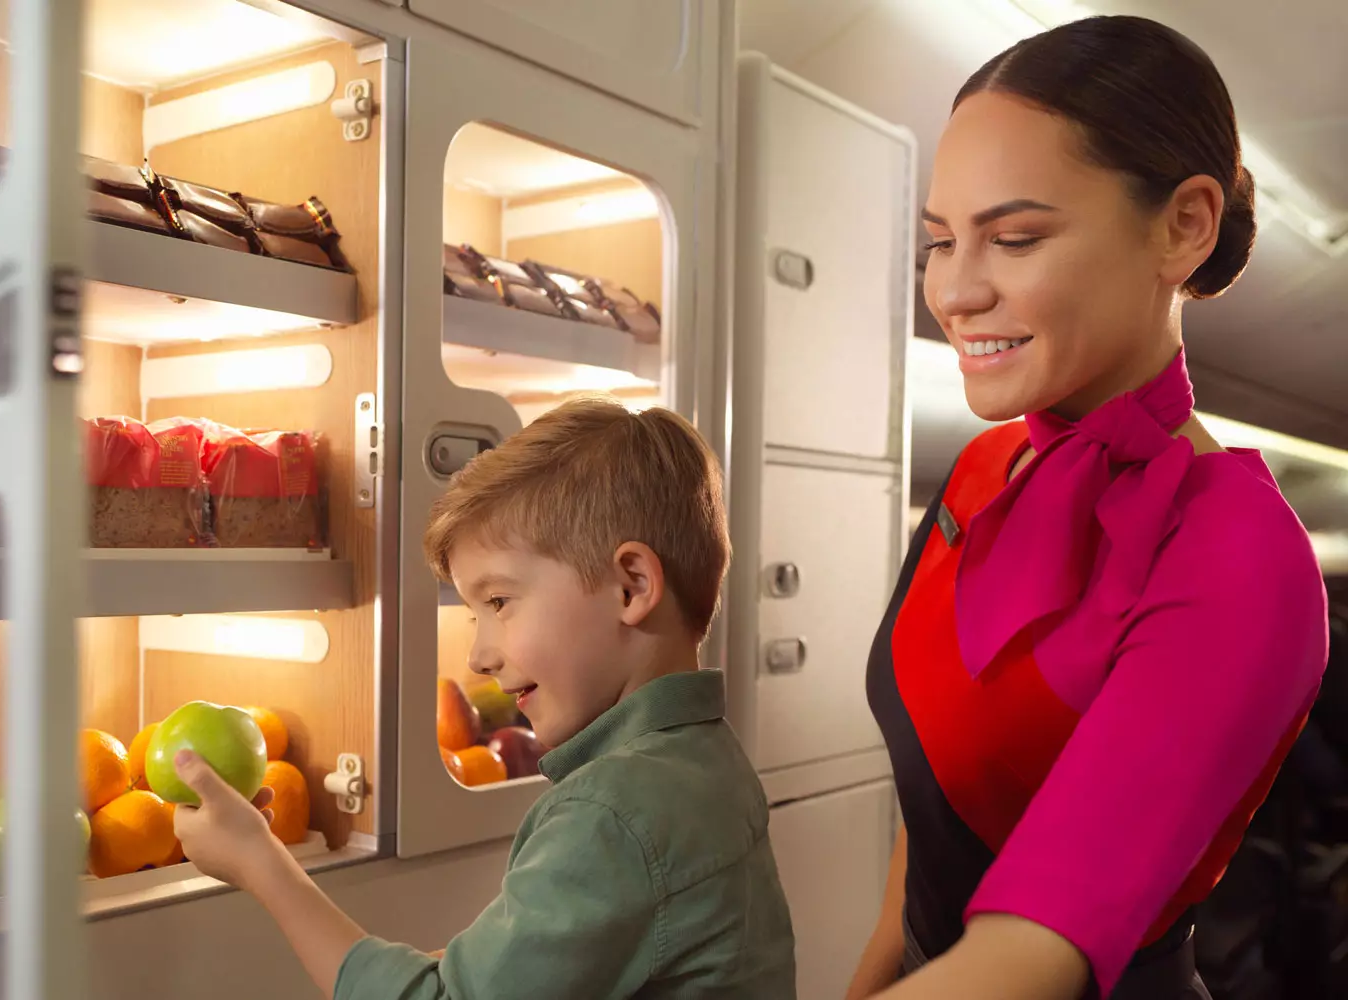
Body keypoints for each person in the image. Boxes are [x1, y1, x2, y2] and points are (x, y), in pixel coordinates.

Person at [846, 15, 1330, 1000]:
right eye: (941, 241)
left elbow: (1030, 952)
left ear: (1183, 226)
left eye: (1014, 237)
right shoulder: (981, 468)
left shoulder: (1238, 552)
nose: (954, 290)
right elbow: (925, 836)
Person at [172, 397, 798, 999]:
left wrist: (261, 863)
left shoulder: (613, 814)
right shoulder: (701, 758)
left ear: (632, 585)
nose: (478, 655)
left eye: (497, 602)